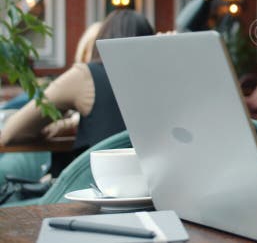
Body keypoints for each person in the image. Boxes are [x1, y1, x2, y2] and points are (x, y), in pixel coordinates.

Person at [0, 10, 154, 152]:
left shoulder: (87, 75)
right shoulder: (157, 78)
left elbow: (11, 133)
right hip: (156, 171)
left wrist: (58, 127)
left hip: (98, 173)